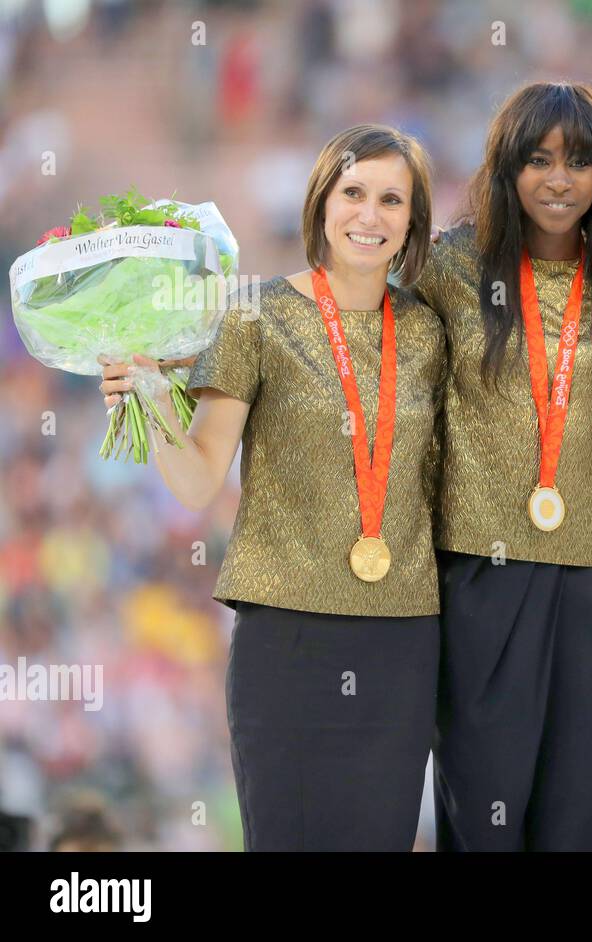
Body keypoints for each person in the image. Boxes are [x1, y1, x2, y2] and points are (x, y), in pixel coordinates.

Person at [99, 124, 446, 851]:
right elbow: (196, 482)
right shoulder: (255, 313)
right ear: (322, 202)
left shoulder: (430, 333)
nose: (369, 214)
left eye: (391, 199)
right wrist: (150, 395)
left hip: (401, 642)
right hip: (284, 642)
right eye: (353, 193)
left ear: (413, 222)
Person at [413, 82, 592, 851]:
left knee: (572, 827)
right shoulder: (449, 268)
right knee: (482, 823)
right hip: (479, 579)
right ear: (506, 168)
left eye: (580, 162)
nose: (560, 180)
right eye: (539, 159)